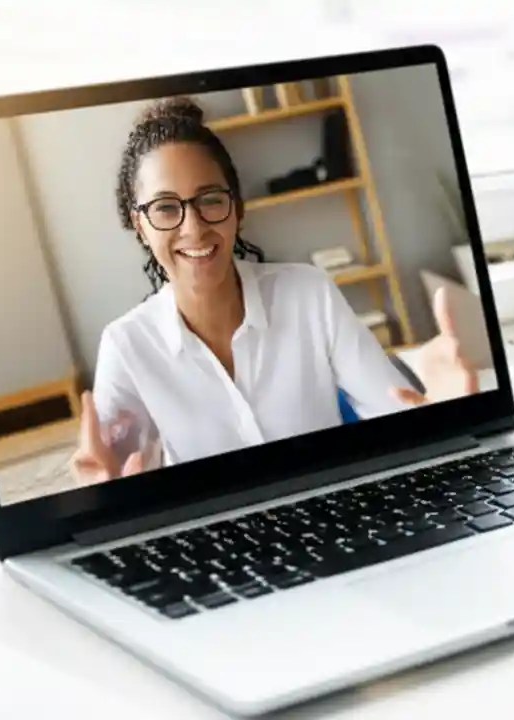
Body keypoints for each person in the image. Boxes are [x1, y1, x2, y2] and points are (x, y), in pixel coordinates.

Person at [70, 98, 477, 483]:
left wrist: (443, 414)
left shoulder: (307, 293)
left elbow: (395, 412)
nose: (193, 227)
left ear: (238, 208)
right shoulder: (126, 346)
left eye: (210, 200)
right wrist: (104, 493)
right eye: (164, 208)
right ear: (139, 224)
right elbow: (119, 475)